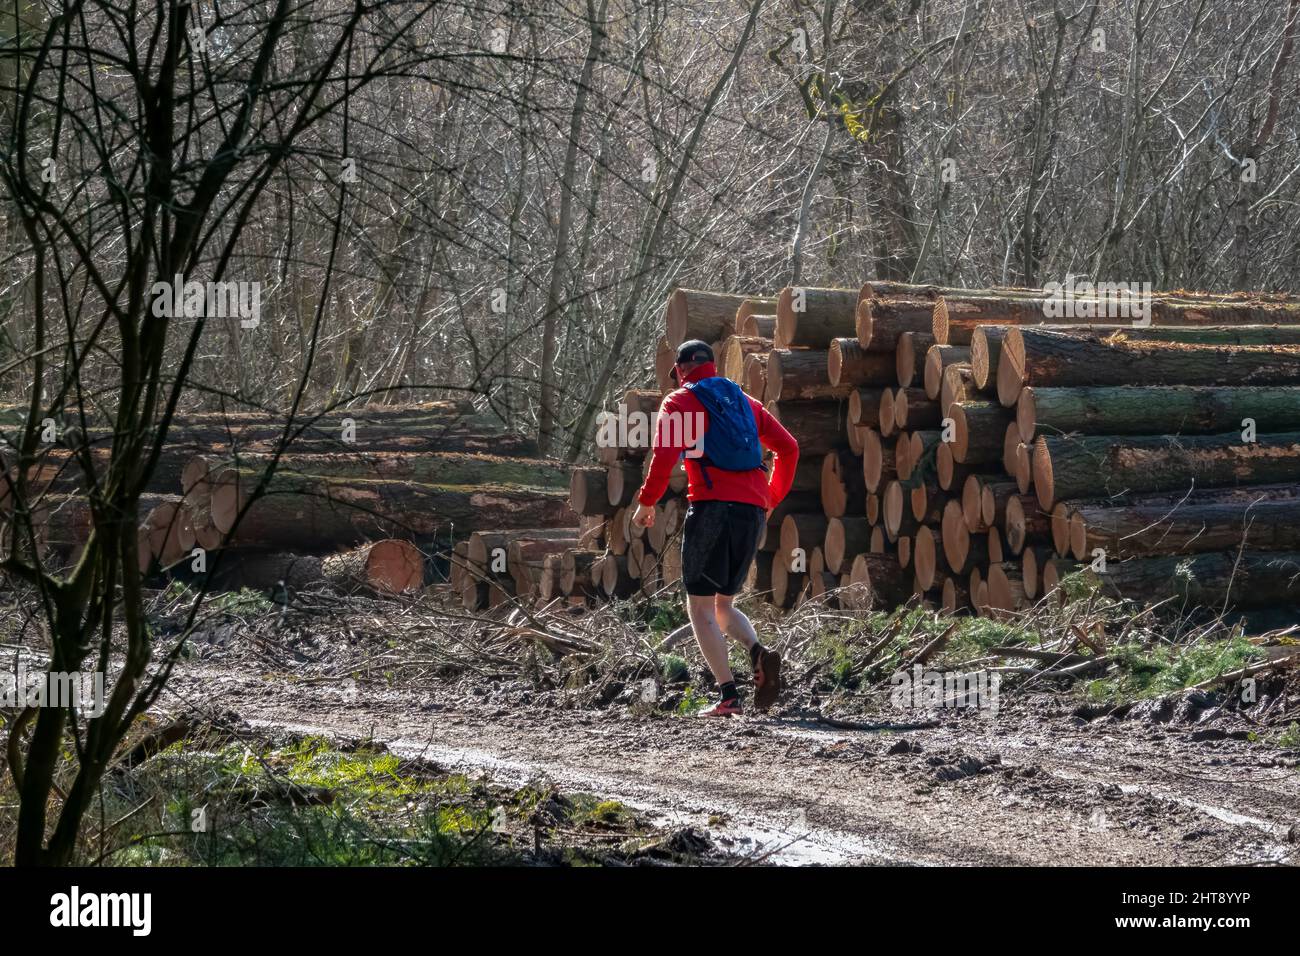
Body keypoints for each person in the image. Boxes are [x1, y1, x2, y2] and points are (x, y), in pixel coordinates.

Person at [633, 340, 799, 716]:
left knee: (700, 606)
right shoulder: (745, 402)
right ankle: (758, 654)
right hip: (752, 513)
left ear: (680, 371)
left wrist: (646, 504)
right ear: (713, 366)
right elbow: (789, 448)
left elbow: (663, 458)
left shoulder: (681, 401)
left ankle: (728, 697)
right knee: (724, 604)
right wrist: (770, 498)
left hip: (712, 510)